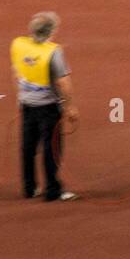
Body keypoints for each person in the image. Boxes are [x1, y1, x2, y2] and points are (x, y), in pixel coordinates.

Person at [11, 12, 79, 202]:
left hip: (27, 104)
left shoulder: (19, 44)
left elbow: (16, 72)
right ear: (51, 31)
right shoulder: (53, 52)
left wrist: (21, 96)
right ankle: (52, 190)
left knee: (28, 147)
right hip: (48, 108)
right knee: (52, 149)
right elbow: (63, 82)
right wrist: (70, 107)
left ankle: (29, 187)